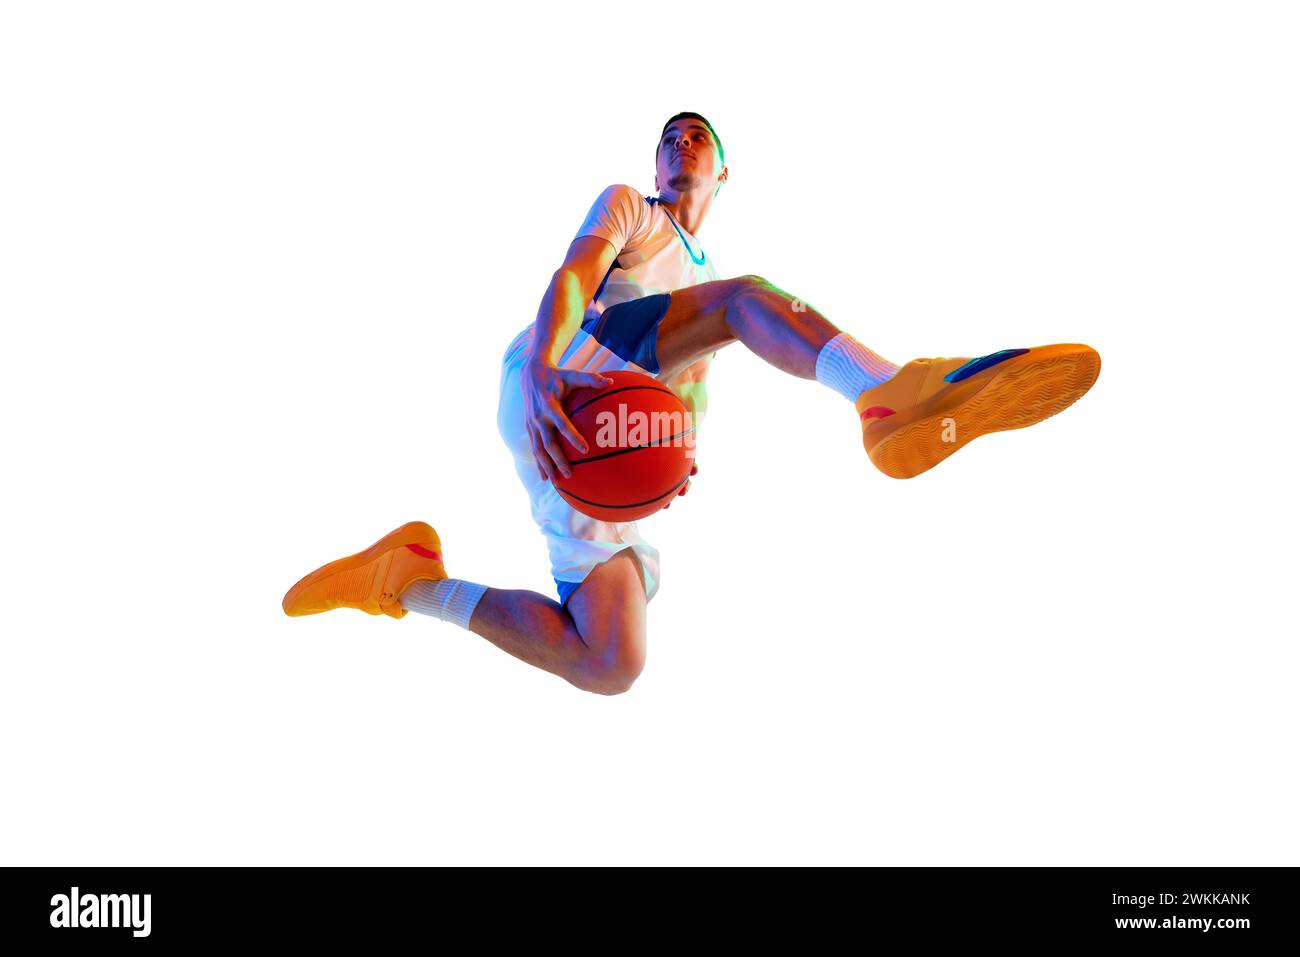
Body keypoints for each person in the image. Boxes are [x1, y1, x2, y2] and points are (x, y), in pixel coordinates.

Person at [281, 111, 1101, 695]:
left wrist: (677, 462)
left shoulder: (698, 311)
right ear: (657, 167)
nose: (683, 141)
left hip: (586, 450)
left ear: (721, 172)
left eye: (698, 136)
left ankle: (406, 582)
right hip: (563, 370)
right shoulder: (633, 212)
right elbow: (573, 277)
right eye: (670, 137)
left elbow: (689, 403)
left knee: (610, 660)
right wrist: (541, 362)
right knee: (746, 299)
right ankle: (886, 391)